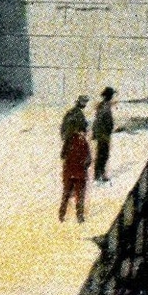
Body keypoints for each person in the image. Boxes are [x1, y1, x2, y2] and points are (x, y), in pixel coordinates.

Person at [60, 95, 91, 223]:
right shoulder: (84, 143)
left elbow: (62, 155)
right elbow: (88, 160)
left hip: (68, 170)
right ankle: (80, 216)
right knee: (79, 193)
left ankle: (61, 215)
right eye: (84, 102)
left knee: (66, 192)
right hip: (80, 173)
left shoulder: (69, 114)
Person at [92, 88, 116, 183]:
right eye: (111, 95)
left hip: (101, 134)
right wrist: (109, 129)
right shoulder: (105, 106)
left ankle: (98, 175)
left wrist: (95, 133)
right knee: (103, 155)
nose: (112, 97)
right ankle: (99, 175)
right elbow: (106, 122)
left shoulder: (102, 106)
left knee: (101, 155)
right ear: (109, 96)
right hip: (104, 135)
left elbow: (96, 121)